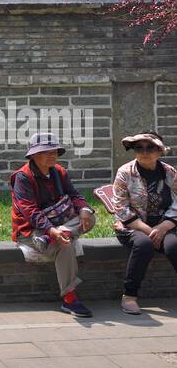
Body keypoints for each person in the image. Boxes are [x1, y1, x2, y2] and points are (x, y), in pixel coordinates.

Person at [10, 130, 97, 318]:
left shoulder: (59, 171)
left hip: (59, 225)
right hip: (32, 231)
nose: (52, 155)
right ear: (34, 155)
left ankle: (55, 236)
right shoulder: (22, 177)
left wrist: (84, 209)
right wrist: (50, 230)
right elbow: (30, 211)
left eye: (54, 151)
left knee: (90, 218)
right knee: (64, 245)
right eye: (46, 152)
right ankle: (70, 298)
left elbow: (74, 195)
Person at [112, 131, 177, 315]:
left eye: (150, 147)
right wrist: (149, 230)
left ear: (160, 151)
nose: (144, 152)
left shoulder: (170, 172)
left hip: (164, 224)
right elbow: (120, 207)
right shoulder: (125, 172)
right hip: (132, 225)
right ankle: (129, 296)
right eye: (139, 147)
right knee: (144, 244)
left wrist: (164, 226)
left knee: (174, 246)